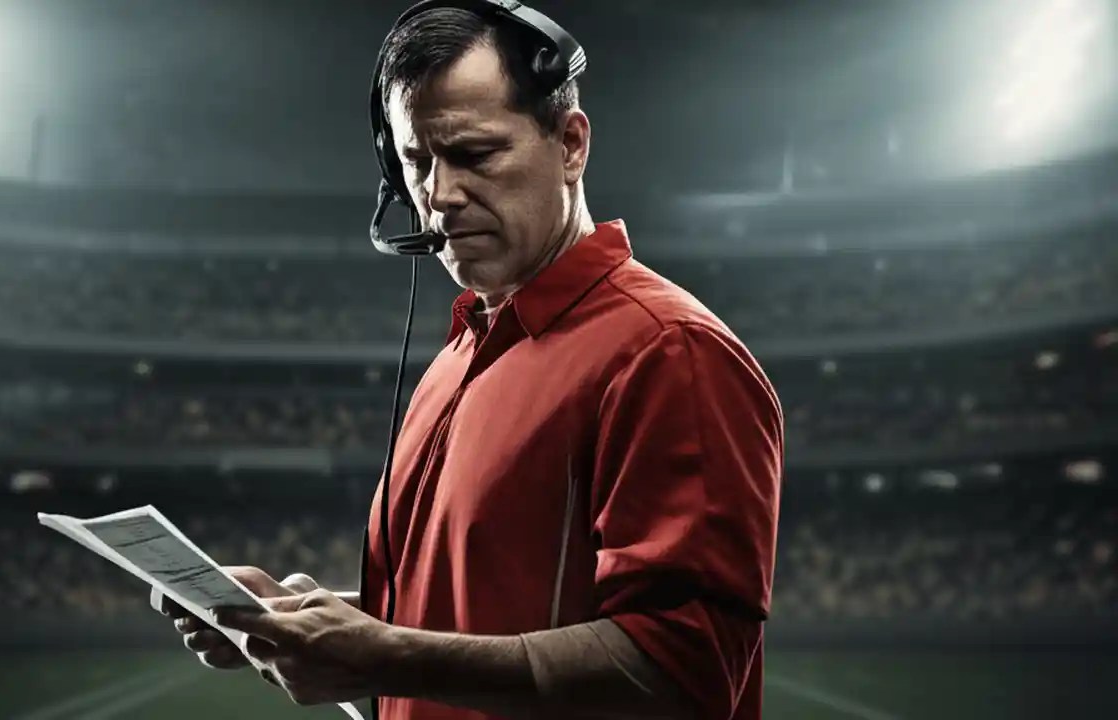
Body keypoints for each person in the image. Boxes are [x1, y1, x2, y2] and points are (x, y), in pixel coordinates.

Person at [158, 3, 783, 718]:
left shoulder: (671, 352)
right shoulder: (454, 360)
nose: (439, 196)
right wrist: (307, 624)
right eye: (416, 162)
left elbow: (685, 675)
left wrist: (384, 654)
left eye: (475, 155)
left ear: (570, 144)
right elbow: (464, 618)